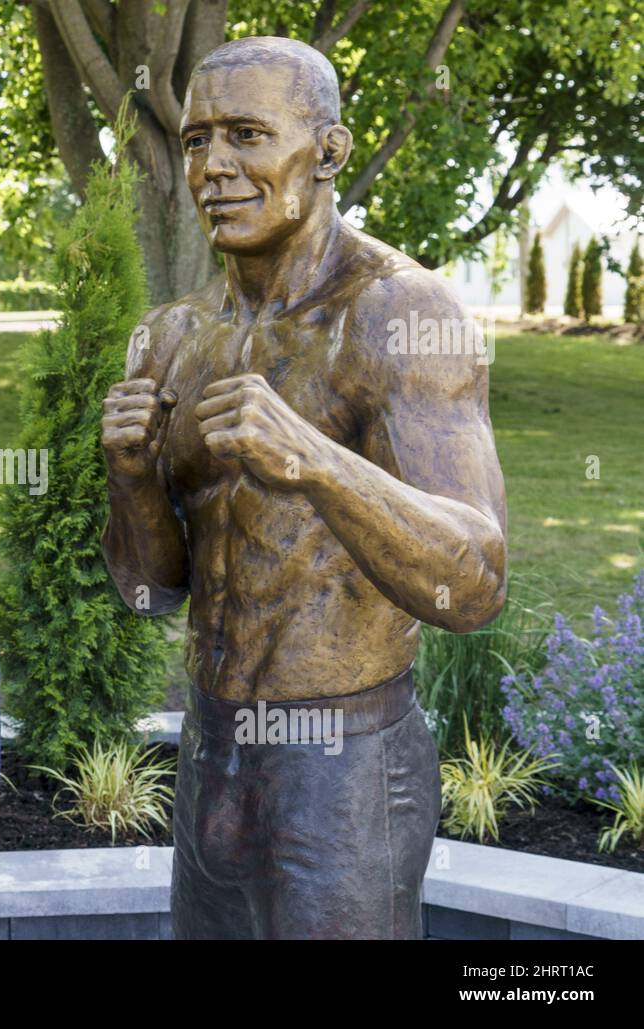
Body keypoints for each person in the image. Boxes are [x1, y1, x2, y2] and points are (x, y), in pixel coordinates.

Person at [100, 37, 507, 939]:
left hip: (343, 764)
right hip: (208, 745)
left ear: (328, 151)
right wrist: (131, 482)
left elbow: (475, 581)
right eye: (198, 140)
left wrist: (318, 461)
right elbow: (147, 591)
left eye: (248, 134)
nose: (214, 167)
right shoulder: (172, 335)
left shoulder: (399, 314)